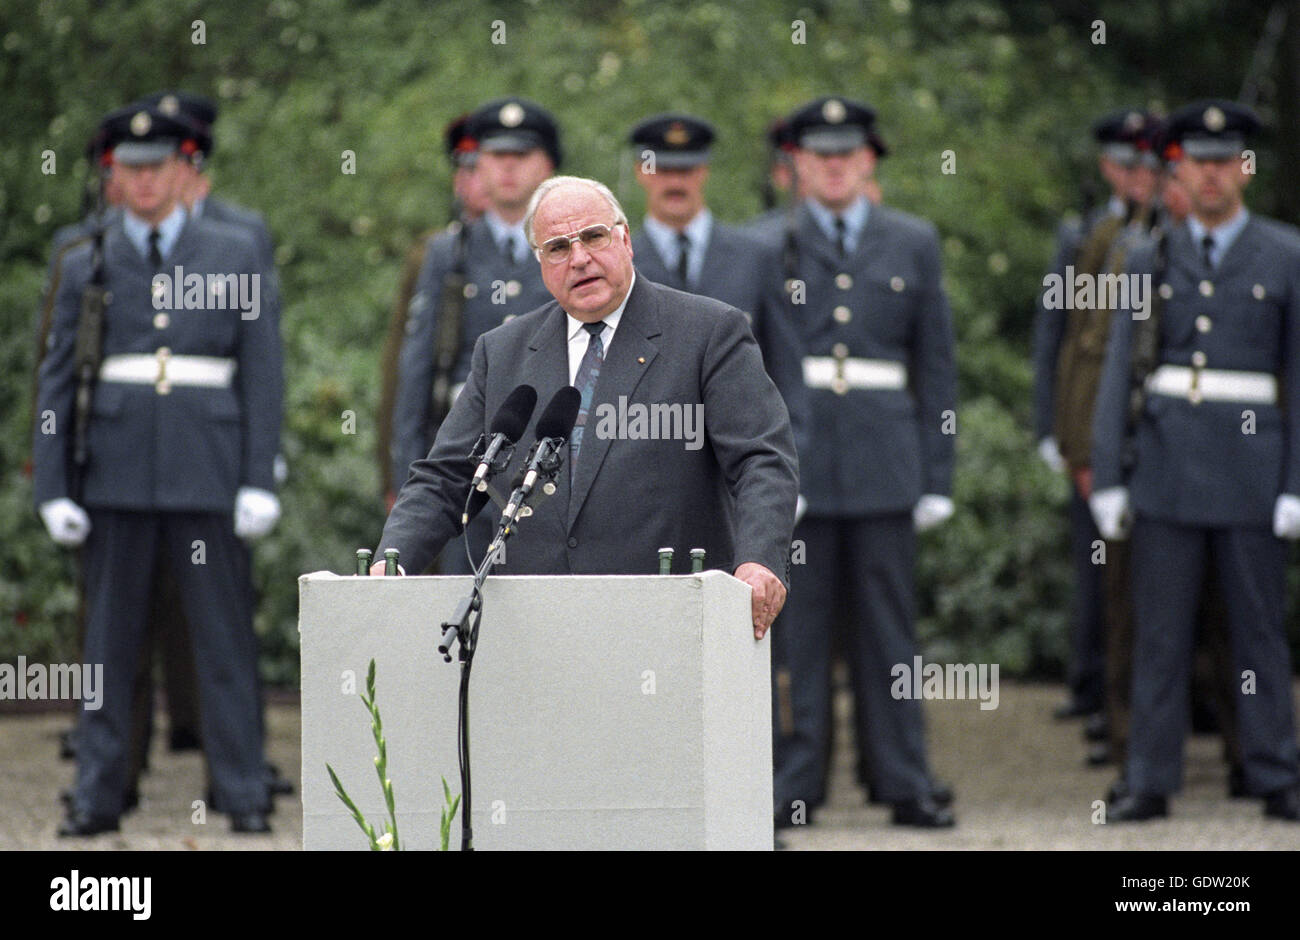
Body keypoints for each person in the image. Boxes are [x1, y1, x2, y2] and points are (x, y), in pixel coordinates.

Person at [373, 175, 798, 642]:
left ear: (625, 239)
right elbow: (448, 476)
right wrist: (391, 562)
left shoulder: (708, 332)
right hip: (534, 627)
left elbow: (762, 459)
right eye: (557, 247)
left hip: (668, 616)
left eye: (593, 237)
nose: (579, 259)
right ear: (540, 263)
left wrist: (758, 559)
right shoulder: (503, 352)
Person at [34, 101, 282, 836]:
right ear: (115, 175)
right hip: (115, 473)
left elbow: (262, 370)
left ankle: (243, 792)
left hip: (208, 467)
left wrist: (259, 475)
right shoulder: (87, 257)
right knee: (109, 648)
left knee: (225, 642)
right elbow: (55, 378)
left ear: (186, 169)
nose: (144, 183)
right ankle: (98, 796)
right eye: (130, 170)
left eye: (157, 167)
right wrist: (53, 486)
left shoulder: (235, 252)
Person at [1090, 99, 1300, 822]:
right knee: (1159, 633)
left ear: (1245, 168)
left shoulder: (1285, 254)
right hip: (1168, 466)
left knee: (1259, 631)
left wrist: (1296, 483)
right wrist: (1110, 476)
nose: (1211, 177)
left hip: (1252, 470)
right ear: (1178, 170)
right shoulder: (1152, 255)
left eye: (1224, 163)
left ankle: (1275, 771)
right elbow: (1121, 369)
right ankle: (1149, 776)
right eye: (1197, 165)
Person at [764, 97, 957, 829]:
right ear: (796, 164)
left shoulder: (913, 241)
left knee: (889, 634)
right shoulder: (763, 244)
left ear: (869, 160)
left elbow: (935, 366)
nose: (834, 165)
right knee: (798, 639)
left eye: (847, 153)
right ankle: (794, 786)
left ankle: (904, 779)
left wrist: (937, 474)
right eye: (819, 154)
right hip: (798, 465)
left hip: (885, 461)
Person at [390, 96, 559, 572]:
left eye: (521, 157)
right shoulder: (448, 253)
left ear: (547, 165)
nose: (507, 169)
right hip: (468, 453)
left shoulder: (567, 247)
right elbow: (417, 368)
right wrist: (408, 474)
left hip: (548, 453)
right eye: (495, 156)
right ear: (476, 166)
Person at [1033, 108, 1150, 728]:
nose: (1140, 175)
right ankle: (1096, 691)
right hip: (1089, 426)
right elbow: (1063, 339)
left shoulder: (1154, 238)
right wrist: (1055, 428)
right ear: (1110, 166)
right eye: (1129, 163)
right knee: (1098, 571)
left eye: (1150, 163)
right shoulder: (1086, 233)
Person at [378, 113, 487, 509]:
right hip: (446, 448)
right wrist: (399, 470)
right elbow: (404, 370)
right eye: (469, 169)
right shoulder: (434, 253)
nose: (479, 181)